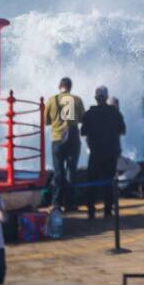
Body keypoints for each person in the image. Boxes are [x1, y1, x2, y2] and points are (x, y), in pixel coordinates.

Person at [80, 86, 125, 220]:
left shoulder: (89, 113)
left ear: (95, 98)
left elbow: (83, 132)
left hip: (95, 153)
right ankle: (107, 210)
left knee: (92, 182)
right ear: (106, 98)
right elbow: (122, 130)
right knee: (109, 181)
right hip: (111, 153)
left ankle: (91, 211)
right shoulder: (115, 112)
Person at [45, 78, 85, 211]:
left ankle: (56, 202)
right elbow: (82, 119)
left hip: (57, 139)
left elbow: (45, 121)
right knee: (71, 170)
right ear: (70, 87)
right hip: (73, 139)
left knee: (58, 172)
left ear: (59, 86)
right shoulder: (77, 99)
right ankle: (70, 203)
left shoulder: (52, 100)